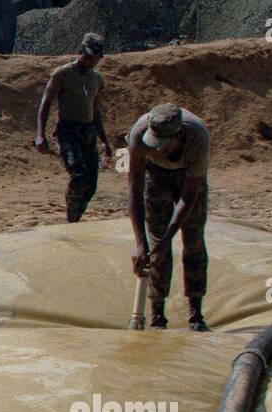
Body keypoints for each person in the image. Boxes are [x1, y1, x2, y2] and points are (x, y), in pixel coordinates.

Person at [127, 103, 211, 332]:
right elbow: (134, 190)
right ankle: (157, 317)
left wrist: (168, 239)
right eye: (155, 144)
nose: (160, 149)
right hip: (157, 176)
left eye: (165, 145)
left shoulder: (197, 139)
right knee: (155, 248)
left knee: (193, 241)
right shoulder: (138, 135)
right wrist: (140, 243)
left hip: (188, 177)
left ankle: (195, 315)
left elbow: (188, 197)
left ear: (179, 135)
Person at [34, 32, 112, 223]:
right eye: (89, 56)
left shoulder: (97, 80)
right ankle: (71, 218)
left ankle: (77, 214)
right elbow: (45, 104)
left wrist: (104, 141)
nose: (91, 61)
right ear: (81, 51)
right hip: (68, 131)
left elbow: (95, 112)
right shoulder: (62, 74)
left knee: (91, 183)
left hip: (88, 131)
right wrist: (40, 135)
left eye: (95, 58)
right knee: (79, 175)